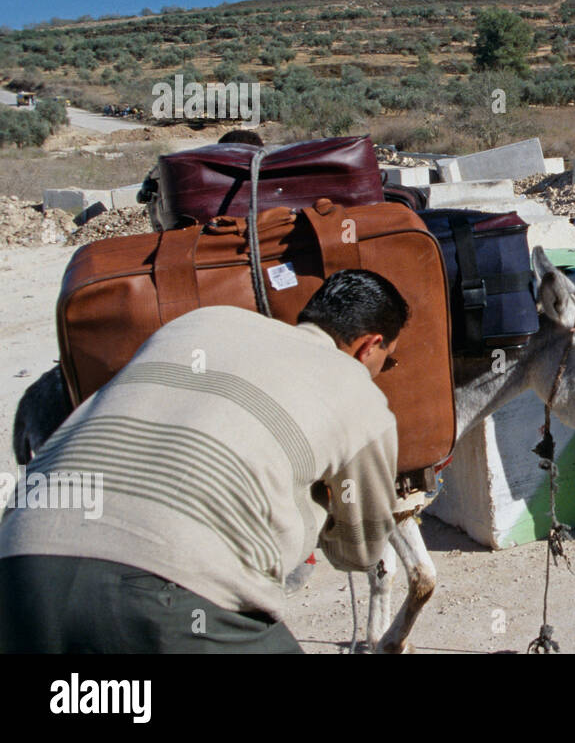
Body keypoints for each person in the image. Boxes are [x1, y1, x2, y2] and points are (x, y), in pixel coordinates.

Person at [0, 269, 408, 652]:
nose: (381, 371)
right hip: (169, 595)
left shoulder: (201, 321)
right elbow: (360, 551)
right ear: (369, 345)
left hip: (17, 571)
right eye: (387, 361)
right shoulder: (356, 389)